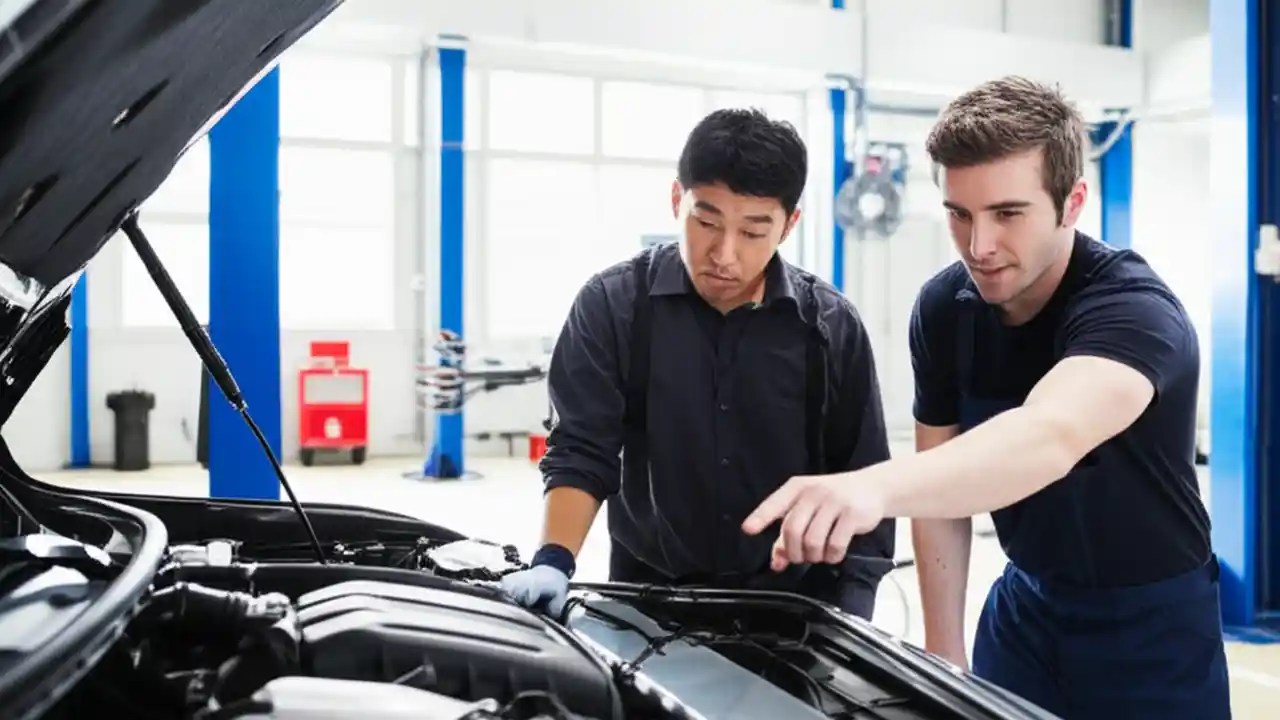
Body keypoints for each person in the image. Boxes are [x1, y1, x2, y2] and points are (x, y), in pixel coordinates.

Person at [740, 77, 1231, 719]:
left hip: (1153, 628)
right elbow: (942, 492)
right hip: (1025, 614)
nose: (980, 247)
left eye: (1008, 214)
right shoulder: (946, 308)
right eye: (959, 214)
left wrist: (869, 487)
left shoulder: (1134, 312)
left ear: (1073, 202)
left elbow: (1049, 435)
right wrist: (943, 655)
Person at [500, 108, 897, 621]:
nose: (724, 255)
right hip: (647, 597)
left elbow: (862, 478)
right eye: (706, 222)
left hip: (794, 606)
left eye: (753, 232)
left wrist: (850, 618)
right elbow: (582, 447)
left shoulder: (828, 327)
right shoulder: (614, 306)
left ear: (789, 224)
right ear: (675, 200)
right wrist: (553, 562)